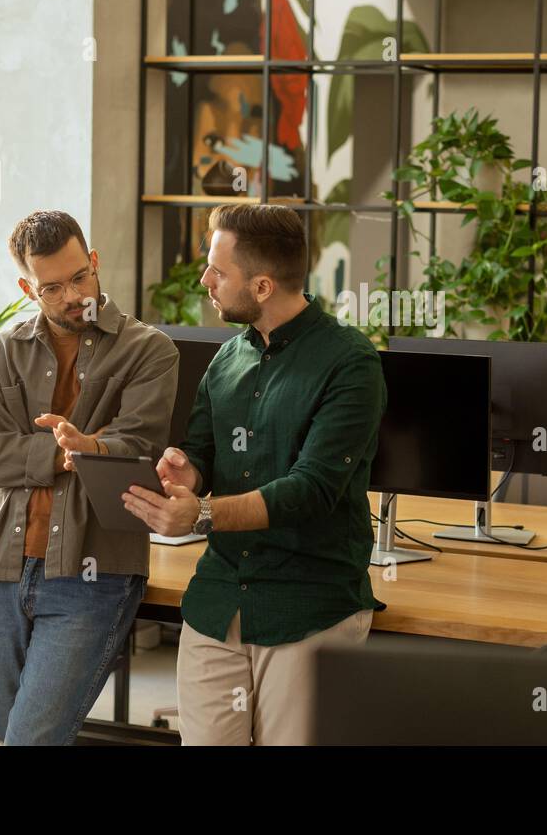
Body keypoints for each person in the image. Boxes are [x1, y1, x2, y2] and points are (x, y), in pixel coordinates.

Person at [120, 203, 386, 745]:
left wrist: (200, 514)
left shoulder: (350, 363)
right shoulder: (227, 360)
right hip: (218, 603)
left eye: (218, 271)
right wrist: (184, 471)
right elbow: (201, 454)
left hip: (308, 605)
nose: (205, 280)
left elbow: (310, 491)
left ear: (262, 286)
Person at [0, 210, 177, 744]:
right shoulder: (0, 351)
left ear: (95, 262)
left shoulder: (149, 351)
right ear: (27, 287)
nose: (72, 296)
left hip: (94, 574)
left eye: (81, 276)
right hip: (3, 570)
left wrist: (95, 447)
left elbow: (139, 451)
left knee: (29, 741)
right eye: (53, 287)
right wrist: (72, 453)